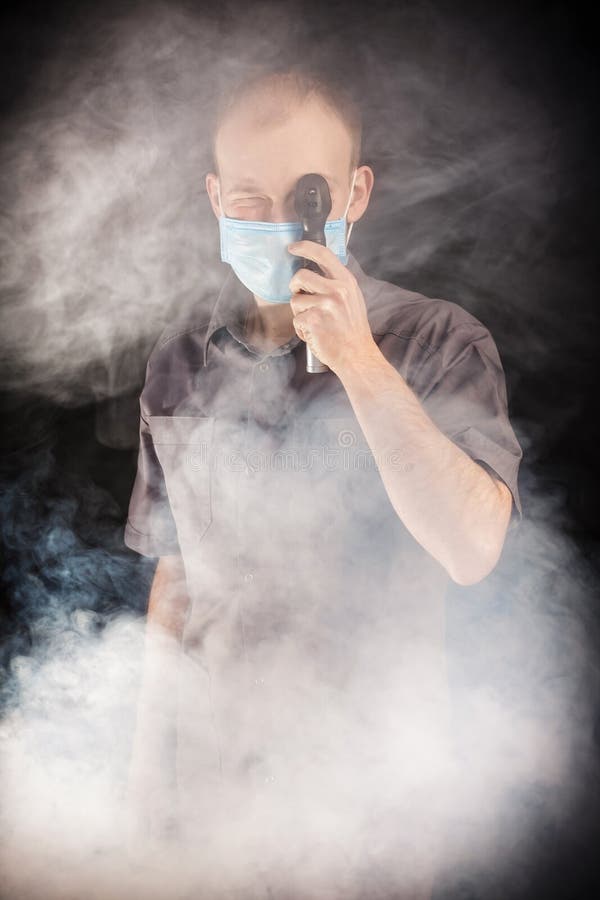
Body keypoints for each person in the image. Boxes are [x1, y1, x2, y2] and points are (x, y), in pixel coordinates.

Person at [124, 66, 522, 899]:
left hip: (376, 810)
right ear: (213, 198)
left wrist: (357, 359)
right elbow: (176, 577)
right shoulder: (179, 360)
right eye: (248, 201)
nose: (276, 225)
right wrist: (144, 784)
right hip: (215, 801)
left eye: (304, 194)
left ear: (355, 192)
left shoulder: (437, 343)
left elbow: (474, 545)